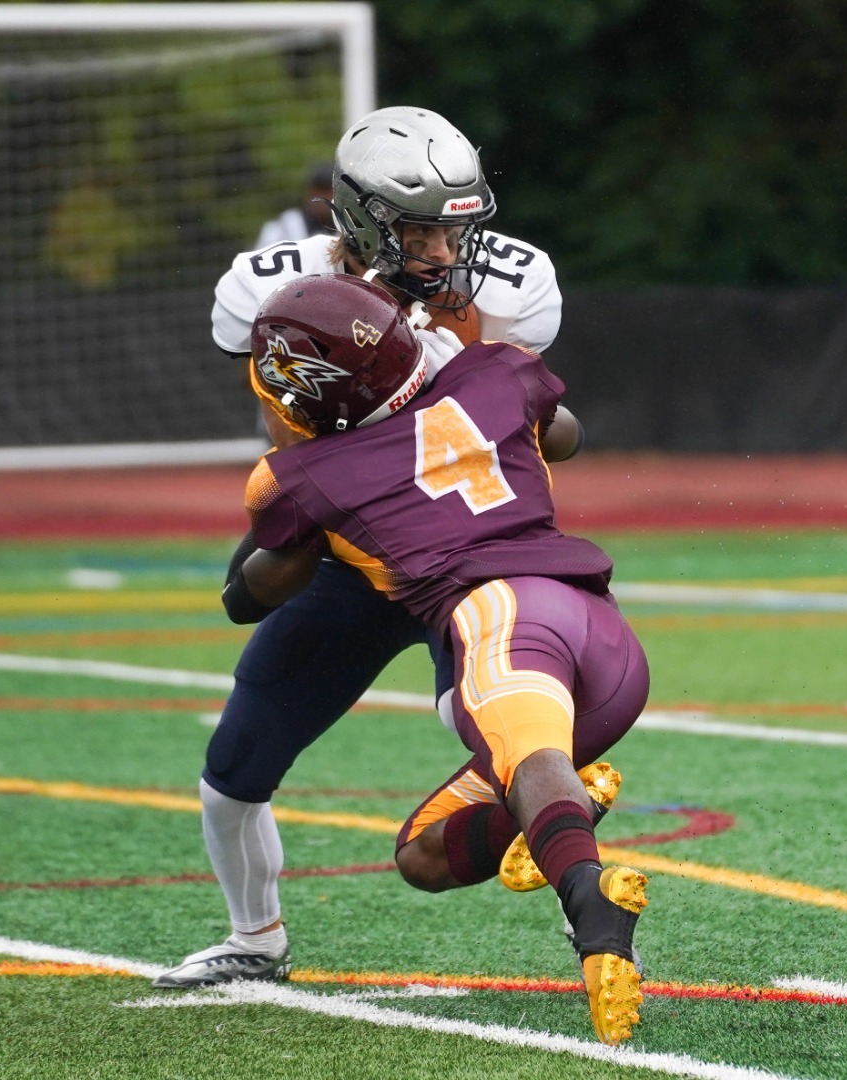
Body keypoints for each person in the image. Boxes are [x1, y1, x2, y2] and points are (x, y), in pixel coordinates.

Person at [154, 106, 567, 986]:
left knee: (485, 721)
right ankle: (253, 939)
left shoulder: (511, 286)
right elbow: (294, 426)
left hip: (465, 554)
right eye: (421, 231)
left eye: (456, 229)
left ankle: (573, 867)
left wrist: (452, 343)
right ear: (360, 218)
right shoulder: (275, 285)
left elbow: (520, 425)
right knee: (233, 770)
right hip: (349, 549)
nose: (446, 254)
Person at [199, 274, 650, 1044]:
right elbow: (566, 434)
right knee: (423, 857)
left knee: (526, 750)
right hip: (598, 635)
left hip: (498, 615)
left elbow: (247, 596)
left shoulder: (304, 477)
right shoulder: (496, 368)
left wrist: (307, 496)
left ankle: (591, 907)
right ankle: (554, 810)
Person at [253, 161, 335, 249]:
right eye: (318, 191)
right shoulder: (285, 224)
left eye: (327, 191)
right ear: (308, 192)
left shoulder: (346, 227)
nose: (322, 198)